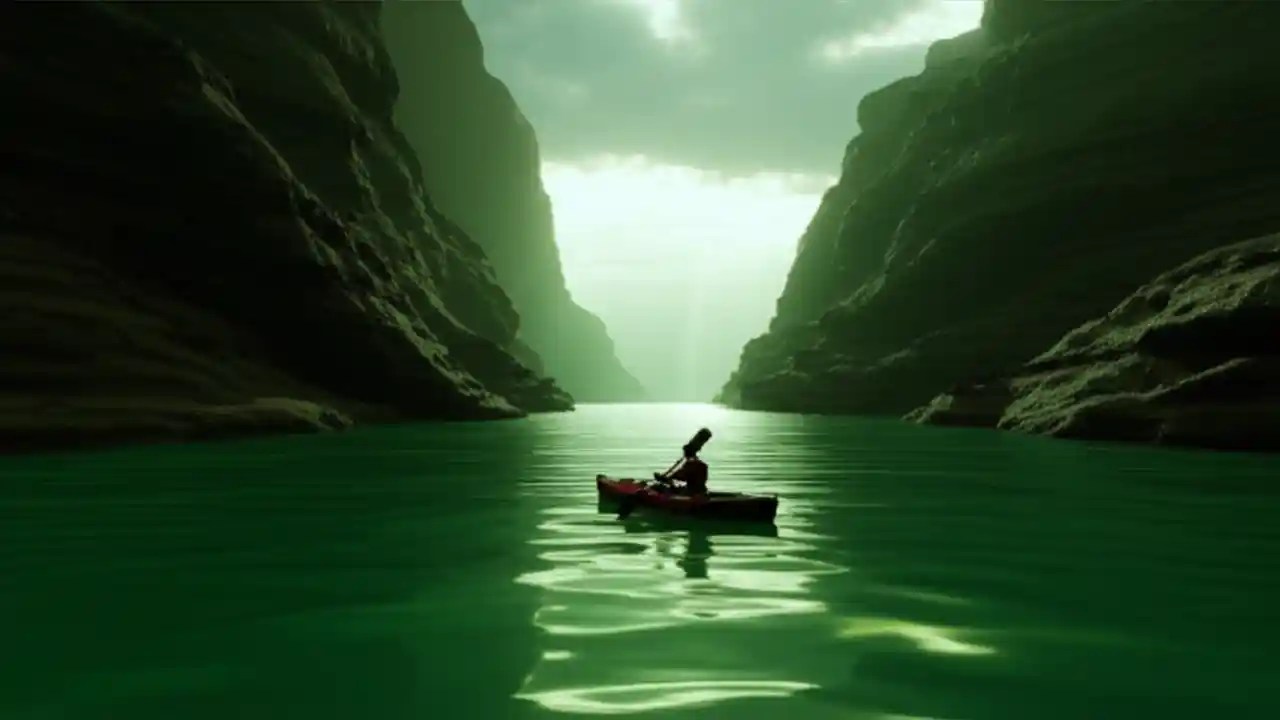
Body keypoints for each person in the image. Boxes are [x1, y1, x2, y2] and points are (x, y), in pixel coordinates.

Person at [655, 428, 712, 495]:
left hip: (693, 493)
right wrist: (665, 478)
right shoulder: (693, 461)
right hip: (694, 490)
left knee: (660, 487)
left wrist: (666, 478)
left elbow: (681, 475)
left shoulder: (696, 464)